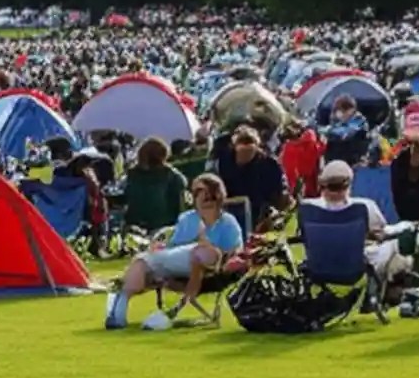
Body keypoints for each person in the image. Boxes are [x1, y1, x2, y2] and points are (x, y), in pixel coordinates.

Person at [105, 173, 242, 329]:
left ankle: (180, 304)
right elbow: (173, 247)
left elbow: (233, 252)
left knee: (202, 252)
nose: (204, 199)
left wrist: (205, 240)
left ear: (218, 197)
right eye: (199, 194)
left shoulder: (228, 223)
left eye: (209, 195)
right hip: (176, 259)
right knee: (141, 261)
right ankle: (118, 313)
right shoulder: (187, 219)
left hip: (209, 262)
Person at [304, 161, 412, 287]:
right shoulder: (364, 206)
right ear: (349, 184)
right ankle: (385, 294)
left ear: (322, 184)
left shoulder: (308, 207)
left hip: (318, 270)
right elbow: (381, 233)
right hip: (354, 271)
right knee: (395, 245)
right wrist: (407, 226)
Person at [212, 125, 291, 229]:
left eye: (249, 145)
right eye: (242, 144)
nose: (245, 150)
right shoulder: (224, 162)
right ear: (234, 146)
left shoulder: (269, 164)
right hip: (231, 211)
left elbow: (279, 192)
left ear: (257, 146)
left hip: (260, 213)